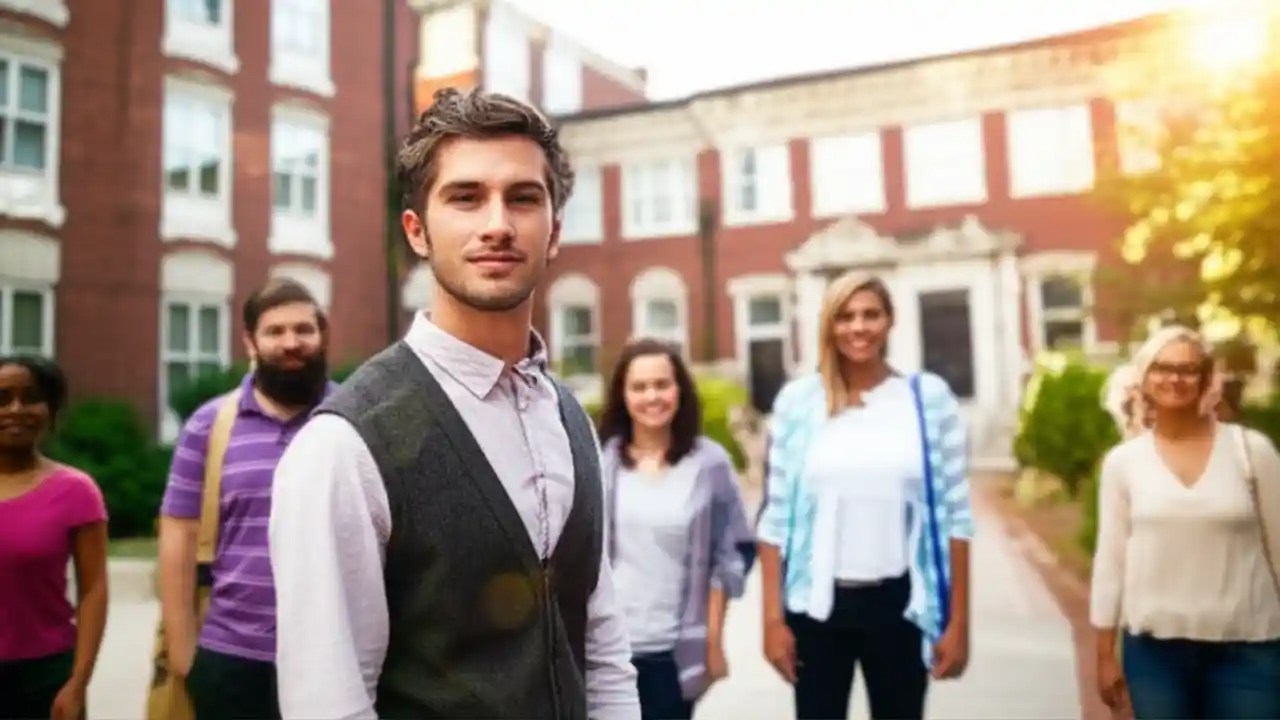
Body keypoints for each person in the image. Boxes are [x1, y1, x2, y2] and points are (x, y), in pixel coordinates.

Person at [269, 87, 640, 720]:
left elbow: (600, 641)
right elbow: (328, 700)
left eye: (524, 198)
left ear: (553, 232)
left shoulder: (569, 414)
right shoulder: (346, 446)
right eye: (465, 197)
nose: (497, 223)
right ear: (417, 231)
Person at [755, 271, 974, 720]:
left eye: (871, 314)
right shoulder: (798, 402)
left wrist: (958, 623)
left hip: (900, 605)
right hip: (816, 608)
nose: (858, 327)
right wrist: (772, 621)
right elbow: (775, 520)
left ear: (890, 321)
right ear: (829, 325)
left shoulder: (927, 400)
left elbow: (957, 517)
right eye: (846, 316)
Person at [156, 279, 334, 720]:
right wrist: (183, 655)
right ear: (250, 341)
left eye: (303, 330)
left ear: (322, 335)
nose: (291, 343)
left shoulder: (357, 418)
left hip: (334, 659)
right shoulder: (209, 425)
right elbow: (177, 536)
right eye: (275, 332)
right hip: (230, 657)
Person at [1090, 326, 1280, 720]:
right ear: (1143, 377)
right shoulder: (1124, 463)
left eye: (1188, 369)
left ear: (1206, 378)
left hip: (1249, 649)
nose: (1175, 378)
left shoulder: (1251, 452)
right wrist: (1105, 654)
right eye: (1162, 367)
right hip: (1156, 657)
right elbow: (1110, 564)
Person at [596, 338, 754, 720]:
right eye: (639, 387)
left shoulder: (709, 465)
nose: (652, 396)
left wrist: (713, 641)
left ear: (679, 390)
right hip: (607, 654)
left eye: (662, 385)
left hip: (674, 654)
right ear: (623, 396)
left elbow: (734, 553)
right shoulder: (599, 462)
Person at [0, 356, 108, 720]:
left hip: (47, 677)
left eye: (30, 397)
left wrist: (78, 682)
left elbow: (93, 588)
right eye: (2, 398)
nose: (16, 409)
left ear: (50, 409)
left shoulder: (76, 491)